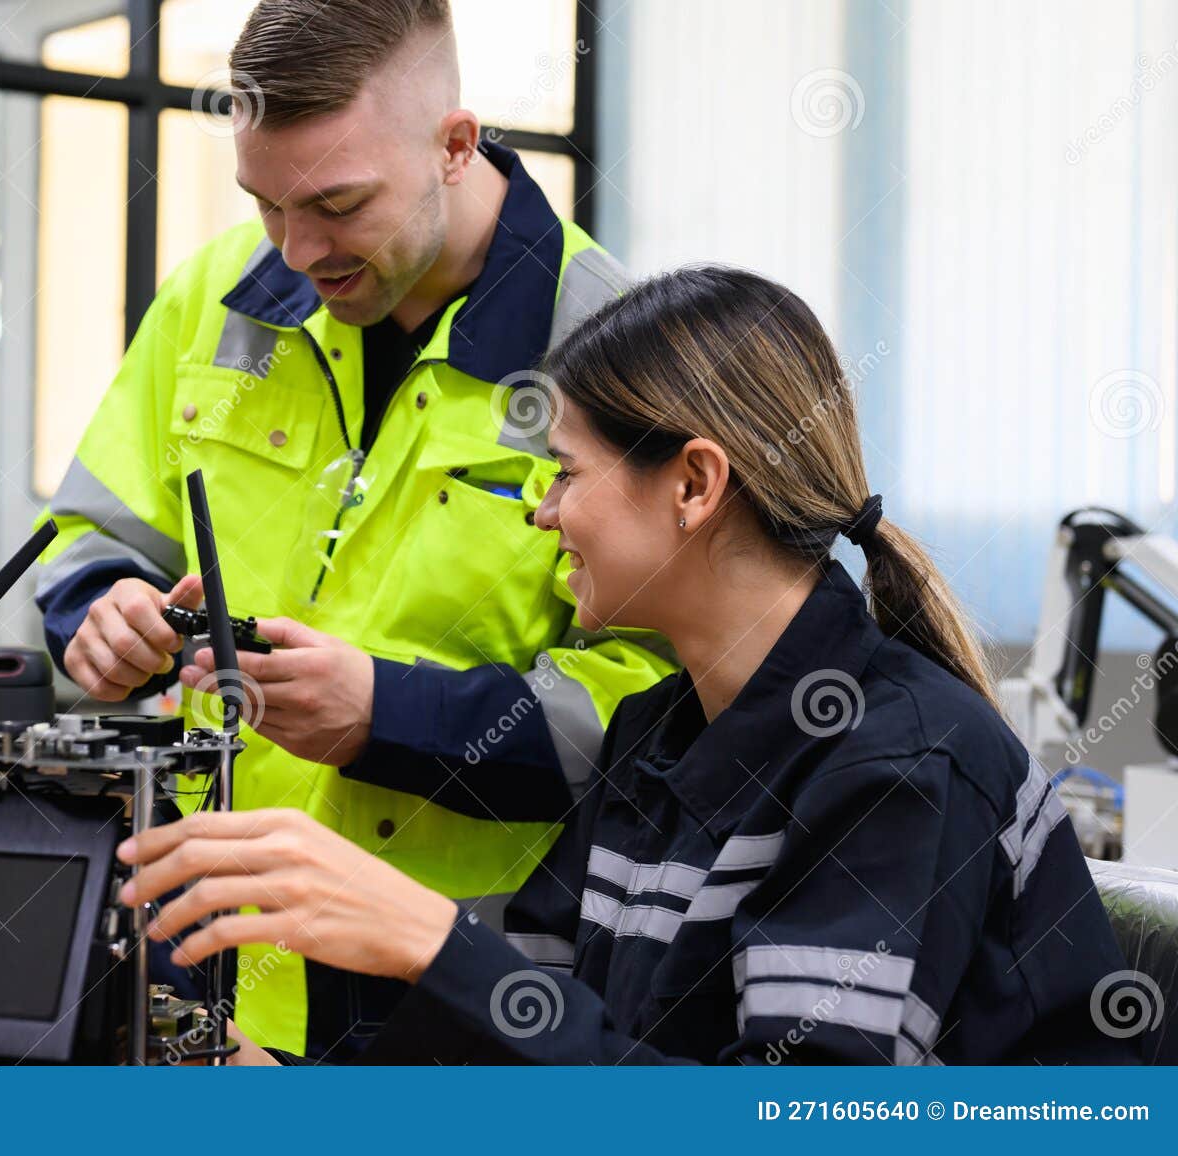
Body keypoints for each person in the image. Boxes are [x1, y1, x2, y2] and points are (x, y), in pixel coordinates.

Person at [117, 266, 1141, 1064]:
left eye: (563, 470)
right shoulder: (653, 734)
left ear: (693, 484)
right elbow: (522, 1069)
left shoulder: (902, 766)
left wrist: (432, 939)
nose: (541, 508)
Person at [34, 0, 674, 1056]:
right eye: (265, 202)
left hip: (461, 990)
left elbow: (660, 706)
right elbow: (89, 536)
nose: (294, 250)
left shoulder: (610, 345)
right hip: (196, 944)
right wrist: (98, 614)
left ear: (454, 146)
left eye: (336, 204)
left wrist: (391, 712)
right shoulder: (215, 298)